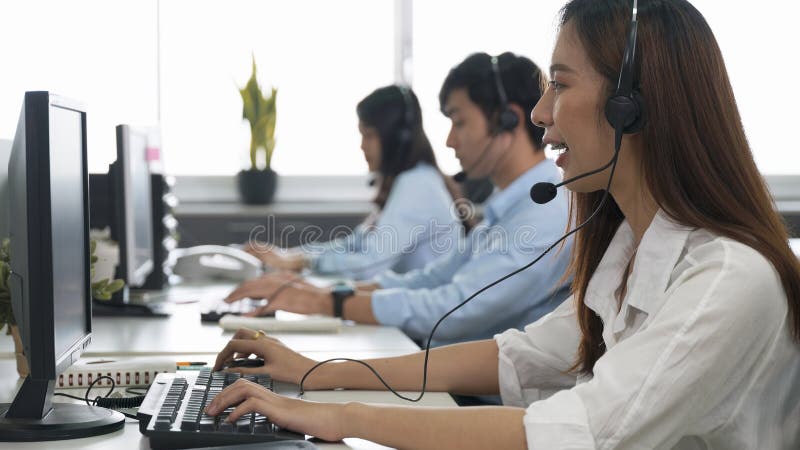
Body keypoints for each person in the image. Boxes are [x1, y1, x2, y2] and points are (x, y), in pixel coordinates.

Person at [205, 0, 800, 448]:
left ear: (632, 107)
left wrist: (336, 414)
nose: (542, 113)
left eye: (560, 85)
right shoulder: (629, 245)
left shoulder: (726, 277)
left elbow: (585, 430)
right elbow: (516, 355)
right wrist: (318, 373)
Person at [225, 52, 573, 349]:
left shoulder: (544, 214)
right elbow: (431, 278)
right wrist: (333, 292)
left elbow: (451, 310)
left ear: (506, 119)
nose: (450, 141)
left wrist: (326, 298)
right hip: (444, 366)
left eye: (460, 122)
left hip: (480, 399)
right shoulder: (510, 207)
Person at [249, 85, 462, 280]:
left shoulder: (417, 185)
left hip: (420, 317)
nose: (362, 146)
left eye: (368, 135)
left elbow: (368, 264)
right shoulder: (410, 181)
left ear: (395, 139)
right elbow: (354, 244)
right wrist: (289, 255)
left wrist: (300, 262)